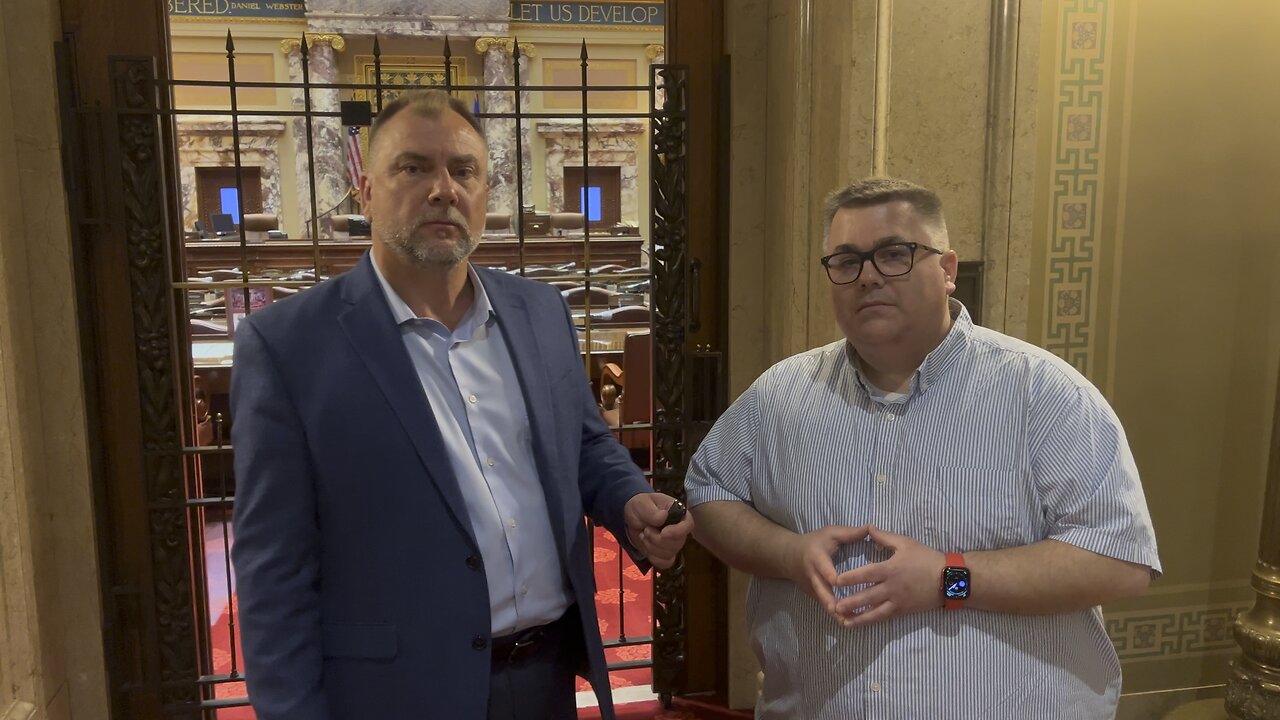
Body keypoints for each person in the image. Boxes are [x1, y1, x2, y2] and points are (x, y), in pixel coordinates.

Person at [230, 89, 693, 720]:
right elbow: (273, 569)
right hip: (397, 692)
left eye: (464, 171)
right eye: (413, 167)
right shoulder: (287, 346)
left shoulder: (540, 312)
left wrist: (628, 498)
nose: (443, 188)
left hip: (546, 675)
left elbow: (583, 443)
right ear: (364, 190)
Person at [685, 177, 1160, 719]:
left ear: (948, 270)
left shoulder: (1043, 393)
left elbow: (1119, 562)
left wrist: (947, 579)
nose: (867, 277)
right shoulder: (781, 394)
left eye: (894, 254)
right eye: (846, 261)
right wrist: (788, 555)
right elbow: (708, 494)